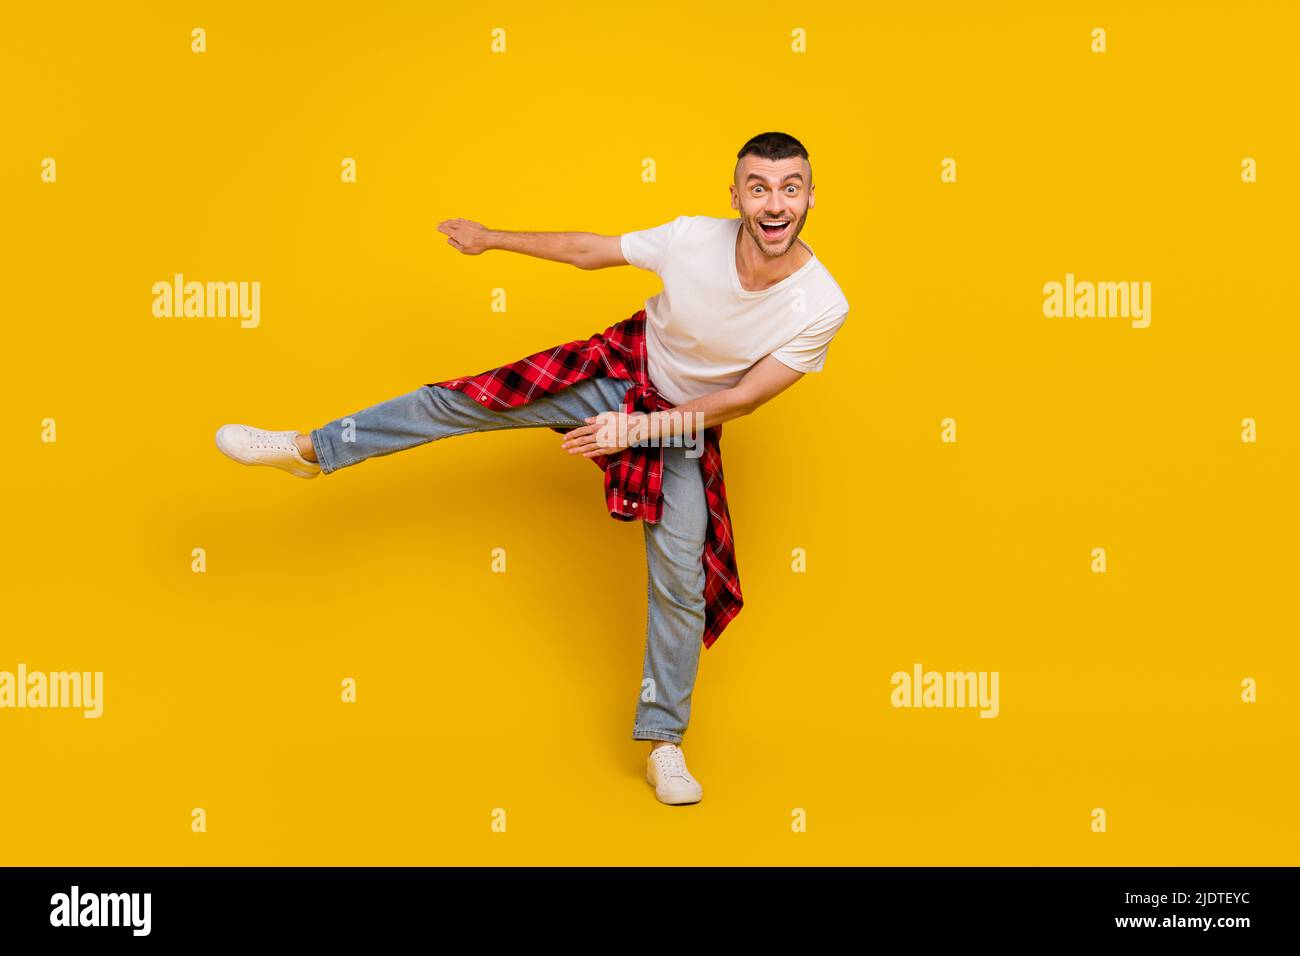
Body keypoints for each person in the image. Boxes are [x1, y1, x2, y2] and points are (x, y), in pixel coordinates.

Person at [214, 131, 850, 805]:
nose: (774, 204)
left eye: (789, 189)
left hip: (682, 426)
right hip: (619, 370)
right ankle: (310, 450)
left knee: (682, 580)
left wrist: (638, 429)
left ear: (811, 197)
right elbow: (589, 250)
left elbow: (743, 399)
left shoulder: (821, 304)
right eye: (758, 188)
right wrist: (492, 239)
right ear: (736, 196)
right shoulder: (693, 238)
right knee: (464, 401)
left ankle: (664, 743)